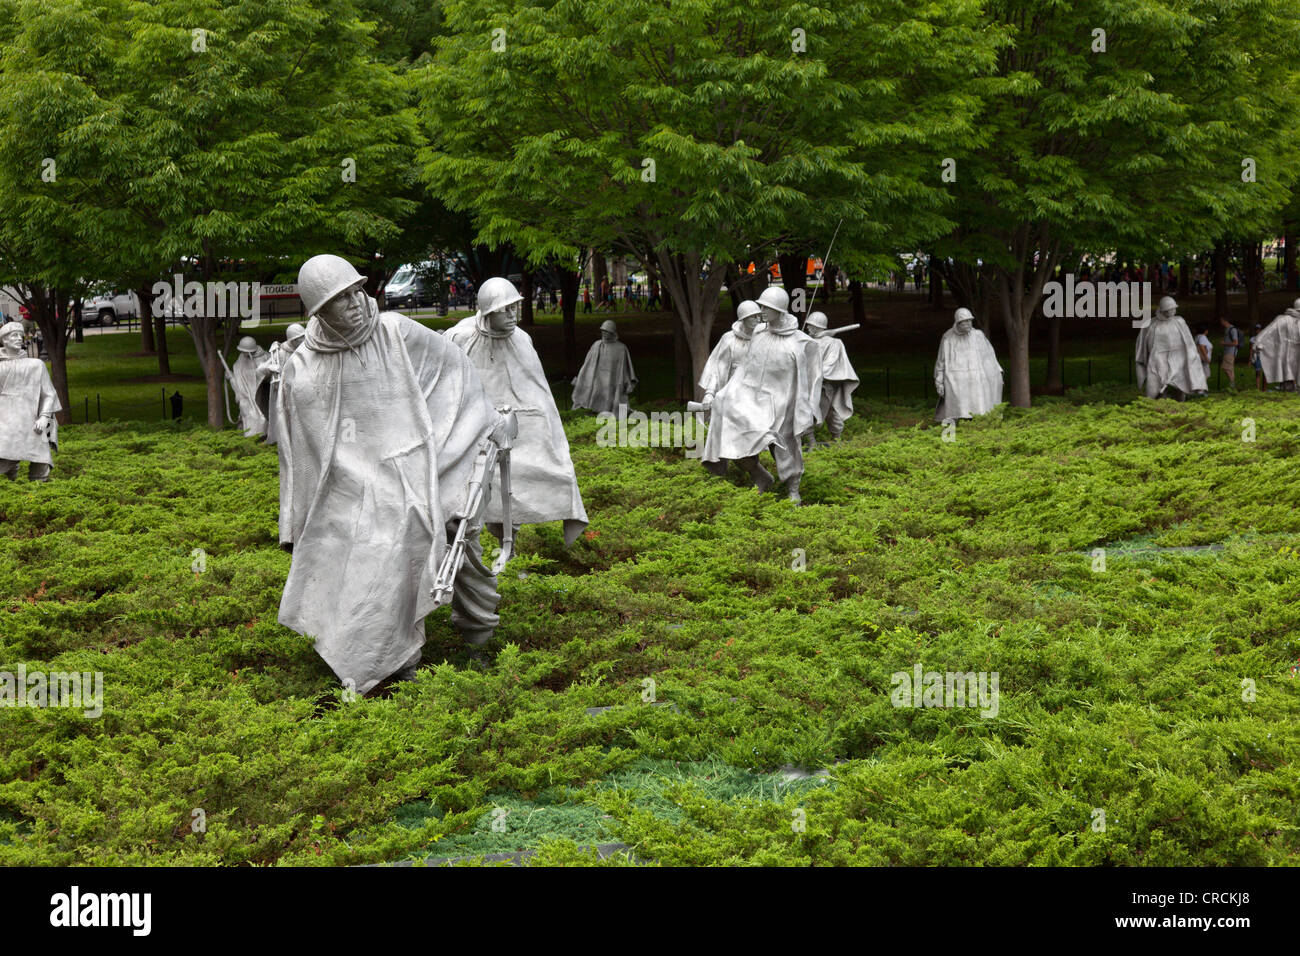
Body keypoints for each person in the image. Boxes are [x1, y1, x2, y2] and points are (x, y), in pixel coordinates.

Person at [275, 255, 509, 695]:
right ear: (318, 312)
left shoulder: (398, 333)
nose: (356, 302)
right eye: (340, 299)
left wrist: (460, 447)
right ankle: (393, 658)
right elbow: (302, 457)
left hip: (428, 465)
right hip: (353, 489)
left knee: (455, 524)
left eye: (357, 290)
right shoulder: (302, 369)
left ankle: (479, 636)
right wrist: (301, 519)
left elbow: (456, 377)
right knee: (367, 541)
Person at [445, 277, 588, 547]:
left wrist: (548, 434)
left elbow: (538, 394)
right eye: (505, 310)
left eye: (515, 308)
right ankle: (466, 543)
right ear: (489, 312)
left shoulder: (522, 340)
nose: (513, 315)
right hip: (473, 431)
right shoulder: (461, 337)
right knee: (470, 487)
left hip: (515, 427)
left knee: (554, 469)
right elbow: (446, 384)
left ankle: (511, 544)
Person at [701, 287, 821, 502]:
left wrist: (809, 409)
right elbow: (746, 370)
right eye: (762, 305)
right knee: (732, 429)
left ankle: (793, 489)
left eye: (767, 307)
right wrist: (722, 394)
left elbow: (813, 379)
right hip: (754, 401)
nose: (762, 310)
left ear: (780, 310)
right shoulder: (758, 334)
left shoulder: (801, 342)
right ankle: (760, 475)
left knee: (785, 447)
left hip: (783, 404)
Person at [0, 321, 60, 482]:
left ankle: (38, 497)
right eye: (14, 336)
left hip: (32, 423)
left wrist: (44, 417)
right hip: (6, 425)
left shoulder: (36, 365)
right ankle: (10, 492)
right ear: (4, 340)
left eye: (20, 335)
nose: (19, 339)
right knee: (5, 461)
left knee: (41, 464)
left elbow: (49, 394)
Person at [801, 311, 859, 448]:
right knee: (808, 410)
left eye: (811, 325)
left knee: (830, 412)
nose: (808, 328)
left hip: (825, 386)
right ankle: (812, 443)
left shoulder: (834, 343)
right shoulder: (807, 342)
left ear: (817, 327)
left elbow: (830, 365)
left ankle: (837, 440)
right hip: (808, 385)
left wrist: (817, 375)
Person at [934, 308, 1003, 421]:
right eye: (965, 321)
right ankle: (957, 425)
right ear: (958, 322)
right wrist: (939, 381)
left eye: (970, 321)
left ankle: (979, 423)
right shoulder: (948, 337)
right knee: (958, 407)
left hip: (976, 377)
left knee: (979, 403)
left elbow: (988, 356)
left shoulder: (978, 335)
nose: (968, 323)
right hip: (955, 379)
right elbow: (941, 361)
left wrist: (997, 371)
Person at [1135, 296, 1209, 400]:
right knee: (1155, 385)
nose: (1174, 311)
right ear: (1163, 310)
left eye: (1174, 309)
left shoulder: (1179, 322)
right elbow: (1144, 344)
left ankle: (1178, 405)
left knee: (1179, 386)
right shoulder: (1151, 324)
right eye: (1171, 309)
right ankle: (1155, 404)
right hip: (1157, 359)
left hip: (1177, 358)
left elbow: (1188, 342)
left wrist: (1191, 356)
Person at [572, 319, 637, 414]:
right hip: (598, 378)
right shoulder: (596, 345)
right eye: (602, 331)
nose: (604, 333)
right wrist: (582, 377)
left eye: (606, 331)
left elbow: (625, 367)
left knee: (612, 396)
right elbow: (587, 364)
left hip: (613, 379)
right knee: (596, 394)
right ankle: (594, 412)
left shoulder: (621, 348)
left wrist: (628, 382)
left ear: (612, 332)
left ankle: (611, 412)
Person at [256, 323, 306, 446]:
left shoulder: (306, 350)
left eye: (303, 337)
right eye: (298, 339)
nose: (302, 341)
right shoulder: (281, 353)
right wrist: (270, 367)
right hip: (285, 393)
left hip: (302, 391)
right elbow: (259, 371)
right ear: (292, 340)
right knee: (287, 419)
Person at [225, 336, 269, 438]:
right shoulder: (242, 357)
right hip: (246, 395)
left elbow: (264, 377)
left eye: (245, 351)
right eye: (242, 351)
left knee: (260, 417)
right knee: (248, 414)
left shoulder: (264, 358)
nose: (243, 353)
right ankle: (249, 436)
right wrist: (232, 377)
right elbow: (239, 371)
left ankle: (261, 436)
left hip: (259, 394)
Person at [1251, 299, 1300, 390]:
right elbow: (1269, 330)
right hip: (1288, 352)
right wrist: (1259, 342)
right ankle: (1288, 386)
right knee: (1288, 371)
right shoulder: (1283, 319)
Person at [1219, 316, 1240, 391]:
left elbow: (1235, 343)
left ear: (1224, 320)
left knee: (1225, 368)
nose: (1220, 322)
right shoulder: (1227, 329)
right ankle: (1233, 386)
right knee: (1229, 369)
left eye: (1221, 320)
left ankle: (1232, 384)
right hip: (1227, 352)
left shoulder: (1232, 329)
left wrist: (1224, 343)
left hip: (1230, 352)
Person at [1250, 323, 1266, 391]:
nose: (1258, 331)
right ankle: (1258, 387)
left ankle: (1264, 388)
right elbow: (1251, 349)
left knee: (1265, 373)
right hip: (1257, 356)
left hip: (1263, 356)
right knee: (1258, 372)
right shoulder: (1252, 339)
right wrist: (1250, 358)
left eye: (1259, 329)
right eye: (1256, 329)